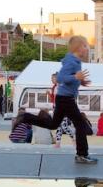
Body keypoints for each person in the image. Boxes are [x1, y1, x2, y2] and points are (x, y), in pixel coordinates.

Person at [16, 36, 97, 164]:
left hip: (63, 98)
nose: (87, 49)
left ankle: (25, 117)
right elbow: (60, 78)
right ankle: (82, 154)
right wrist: (76, 76)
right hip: (66, 99)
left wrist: (80, 80)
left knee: (54, 124)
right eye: (85, 46)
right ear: (78, 48)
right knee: (80, 124)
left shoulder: (75, 61)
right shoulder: (72, 62)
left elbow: (68, 78)